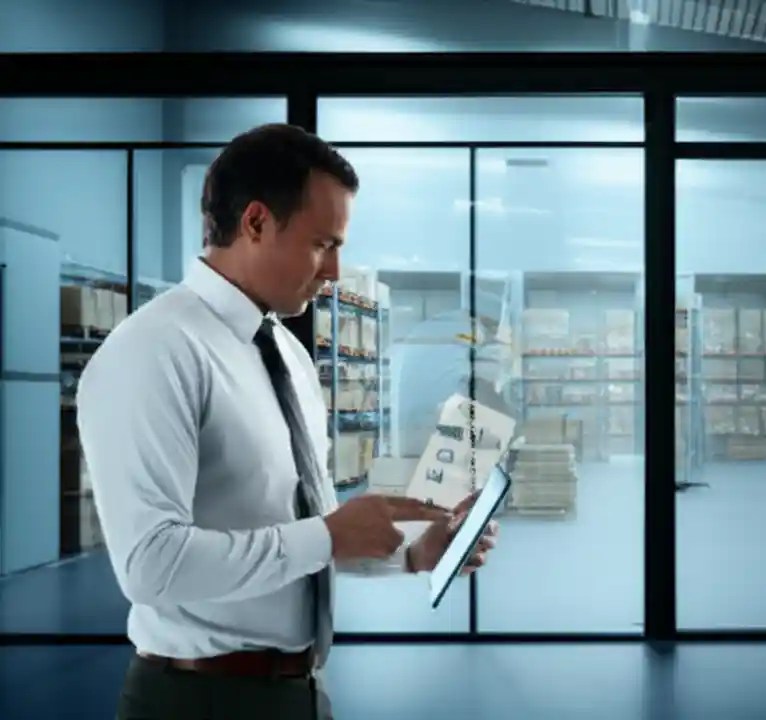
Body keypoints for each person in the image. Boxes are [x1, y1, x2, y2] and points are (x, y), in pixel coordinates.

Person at [75, 123, 499, 719]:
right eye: (323, 244)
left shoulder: (289, 355)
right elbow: (152, 566)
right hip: (197, 701)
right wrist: (328, 535)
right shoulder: (154, 350)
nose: (335, 271)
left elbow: (299, 532)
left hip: (297, 690)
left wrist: (412, 552)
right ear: (255, 222)